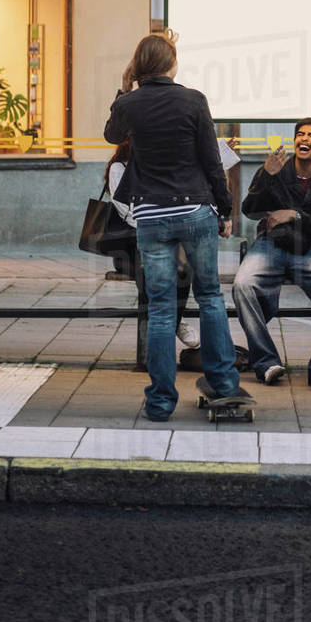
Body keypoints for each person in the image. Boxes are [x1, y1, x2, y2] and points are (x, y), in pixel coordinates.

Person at [104, 30, 244, 422]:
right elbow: (211, 161)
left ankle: (160, 401)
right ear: (171, 64)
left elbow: (111, 134)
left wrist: (123, 88)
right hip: (195, 209)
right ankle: (223, 383)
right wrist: (225, 208)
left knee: (163, 309)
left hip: (151, 214)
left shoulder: (130, 103)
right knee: (211, 296)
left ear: (138, 66)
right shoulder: (193, 100)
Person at [232, 119, 311, 389]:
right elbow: (250, 209)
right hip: (270, 245)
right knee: (242, 284)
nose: (303, 138)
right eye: (300, 134)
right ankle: (265, 362)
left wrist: (295, 215)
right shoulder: (276, 170)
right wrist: (265, 174)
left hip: (307, 250)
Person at [104, 137, 200, 352]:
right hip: (129, 245)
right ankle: (161, 338)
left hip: (160, 239)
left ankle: (172, 324)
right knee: (153, 271)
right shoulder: (119, 168)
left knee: (183, 269)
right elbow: (124, 208)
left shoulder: (155, 168)